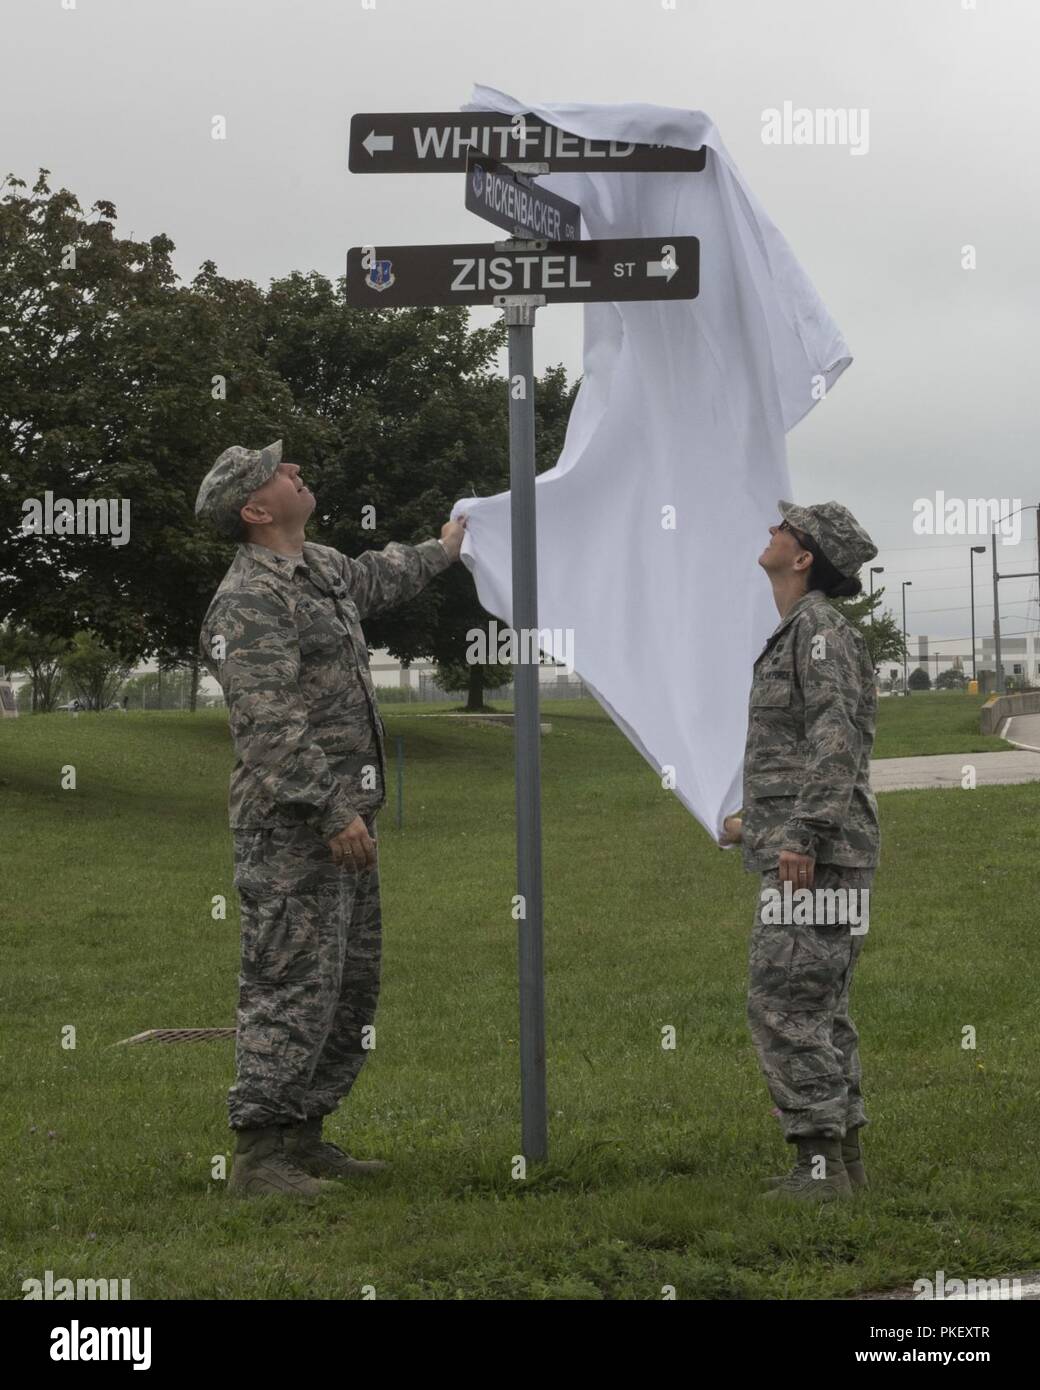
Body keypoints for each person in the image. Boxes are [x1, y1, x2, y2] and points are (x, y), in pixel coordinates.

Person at [195, 439, 466, 1198]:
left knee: (345, 988)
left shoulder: (319, 569)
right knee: (288, 984)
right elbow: (268, 723)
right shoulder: (248, 600)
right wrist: (330, 809)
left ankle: (304, 1137)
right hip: (295, 828)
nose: (296, 472)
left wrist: (449, 543)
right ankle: (258, 1158)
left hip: (344, 825)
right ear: (254, 510)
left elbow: (386, 573)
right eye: (278, 473)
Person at [722, 500, 880, 1203]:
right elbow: (805, 750)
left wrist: (803, 835)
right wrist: (754, 820)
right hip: (815, 847)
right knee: (820, 1005)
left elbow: (834, 738)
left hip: (814, 856)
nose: (770, 533)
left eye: (782, 530)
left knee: (783, 1003)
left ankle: (817, 1171)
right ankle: (841, 1163)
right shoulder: (801, 632)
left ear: (804, 555)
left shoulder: (816, 632)